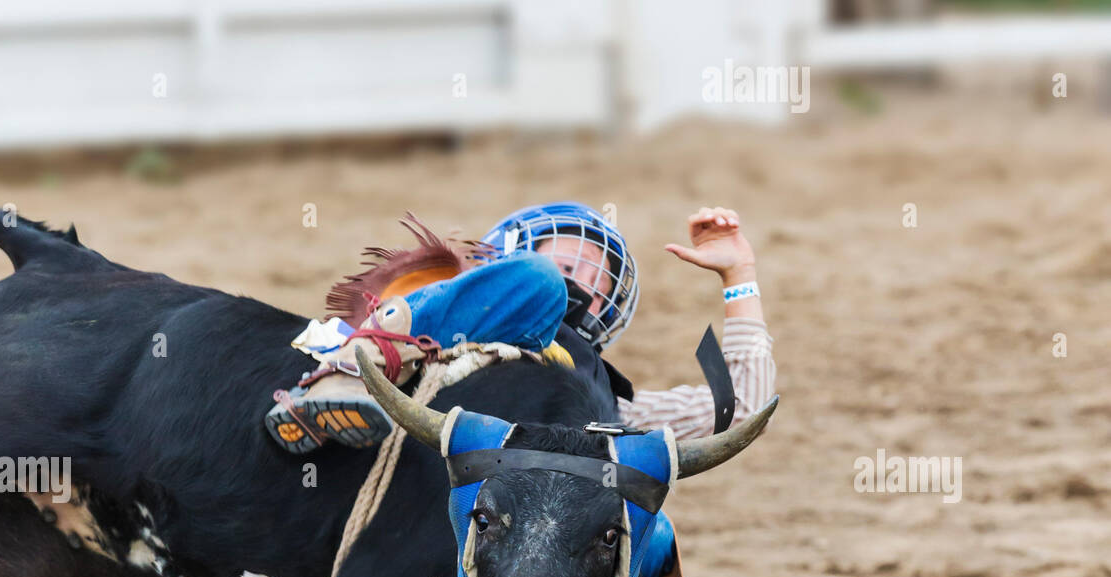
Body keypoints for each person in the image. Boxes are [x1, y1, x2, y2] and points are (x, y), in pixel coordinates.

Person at [264, 202, 775, 454]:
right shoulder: (458, 313)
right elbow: (531, 284)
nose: (577, 281)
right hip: (413, 384)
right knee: (537, 283)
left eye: (593, 279)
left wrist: (739, 277)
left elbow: (739, 412)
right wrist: (537, 283)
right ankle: (351, 371)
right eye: (565, 263)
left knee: (658, 538)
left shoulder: (604, 401)